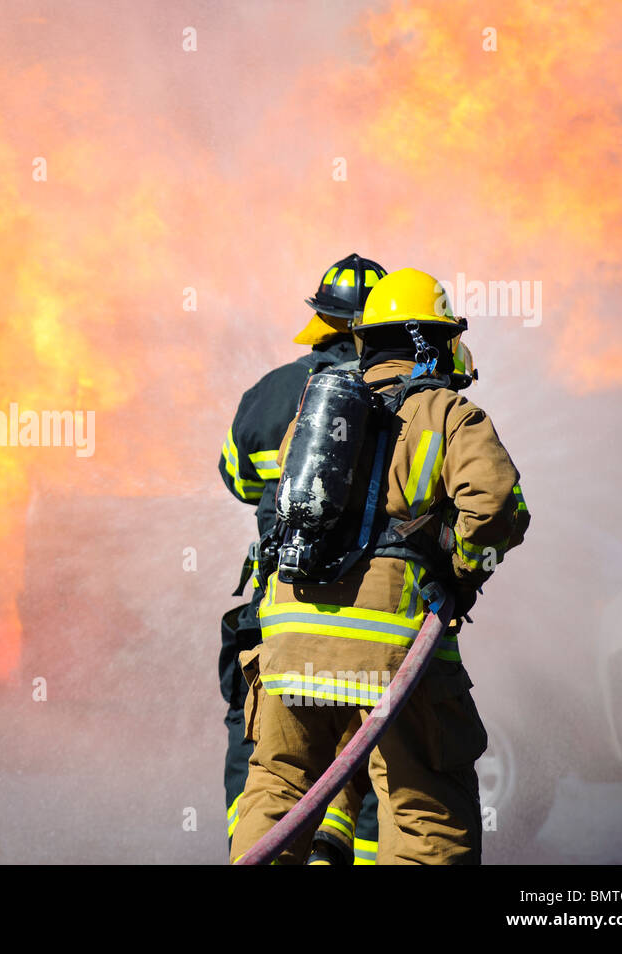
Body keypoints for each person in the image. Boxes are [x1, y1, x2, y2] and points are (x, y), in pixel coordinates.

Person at [228, 266, 530, 865]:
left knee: (280, 785)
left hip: (289, 639)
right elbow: (498, 508)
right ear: (432, 341)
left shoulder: (316, 413)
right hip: (391, 643)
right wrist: (460, 570)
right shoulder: (447, 412)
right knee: (424, 803)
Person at [219, 253, 386, 863]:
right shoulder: (399, 392)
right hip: (378, 624)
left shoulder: (268, 395)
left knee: (267, 759)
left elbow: (237, 478)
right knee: (373, 763)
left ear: (320, 318)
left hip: (283, 615)